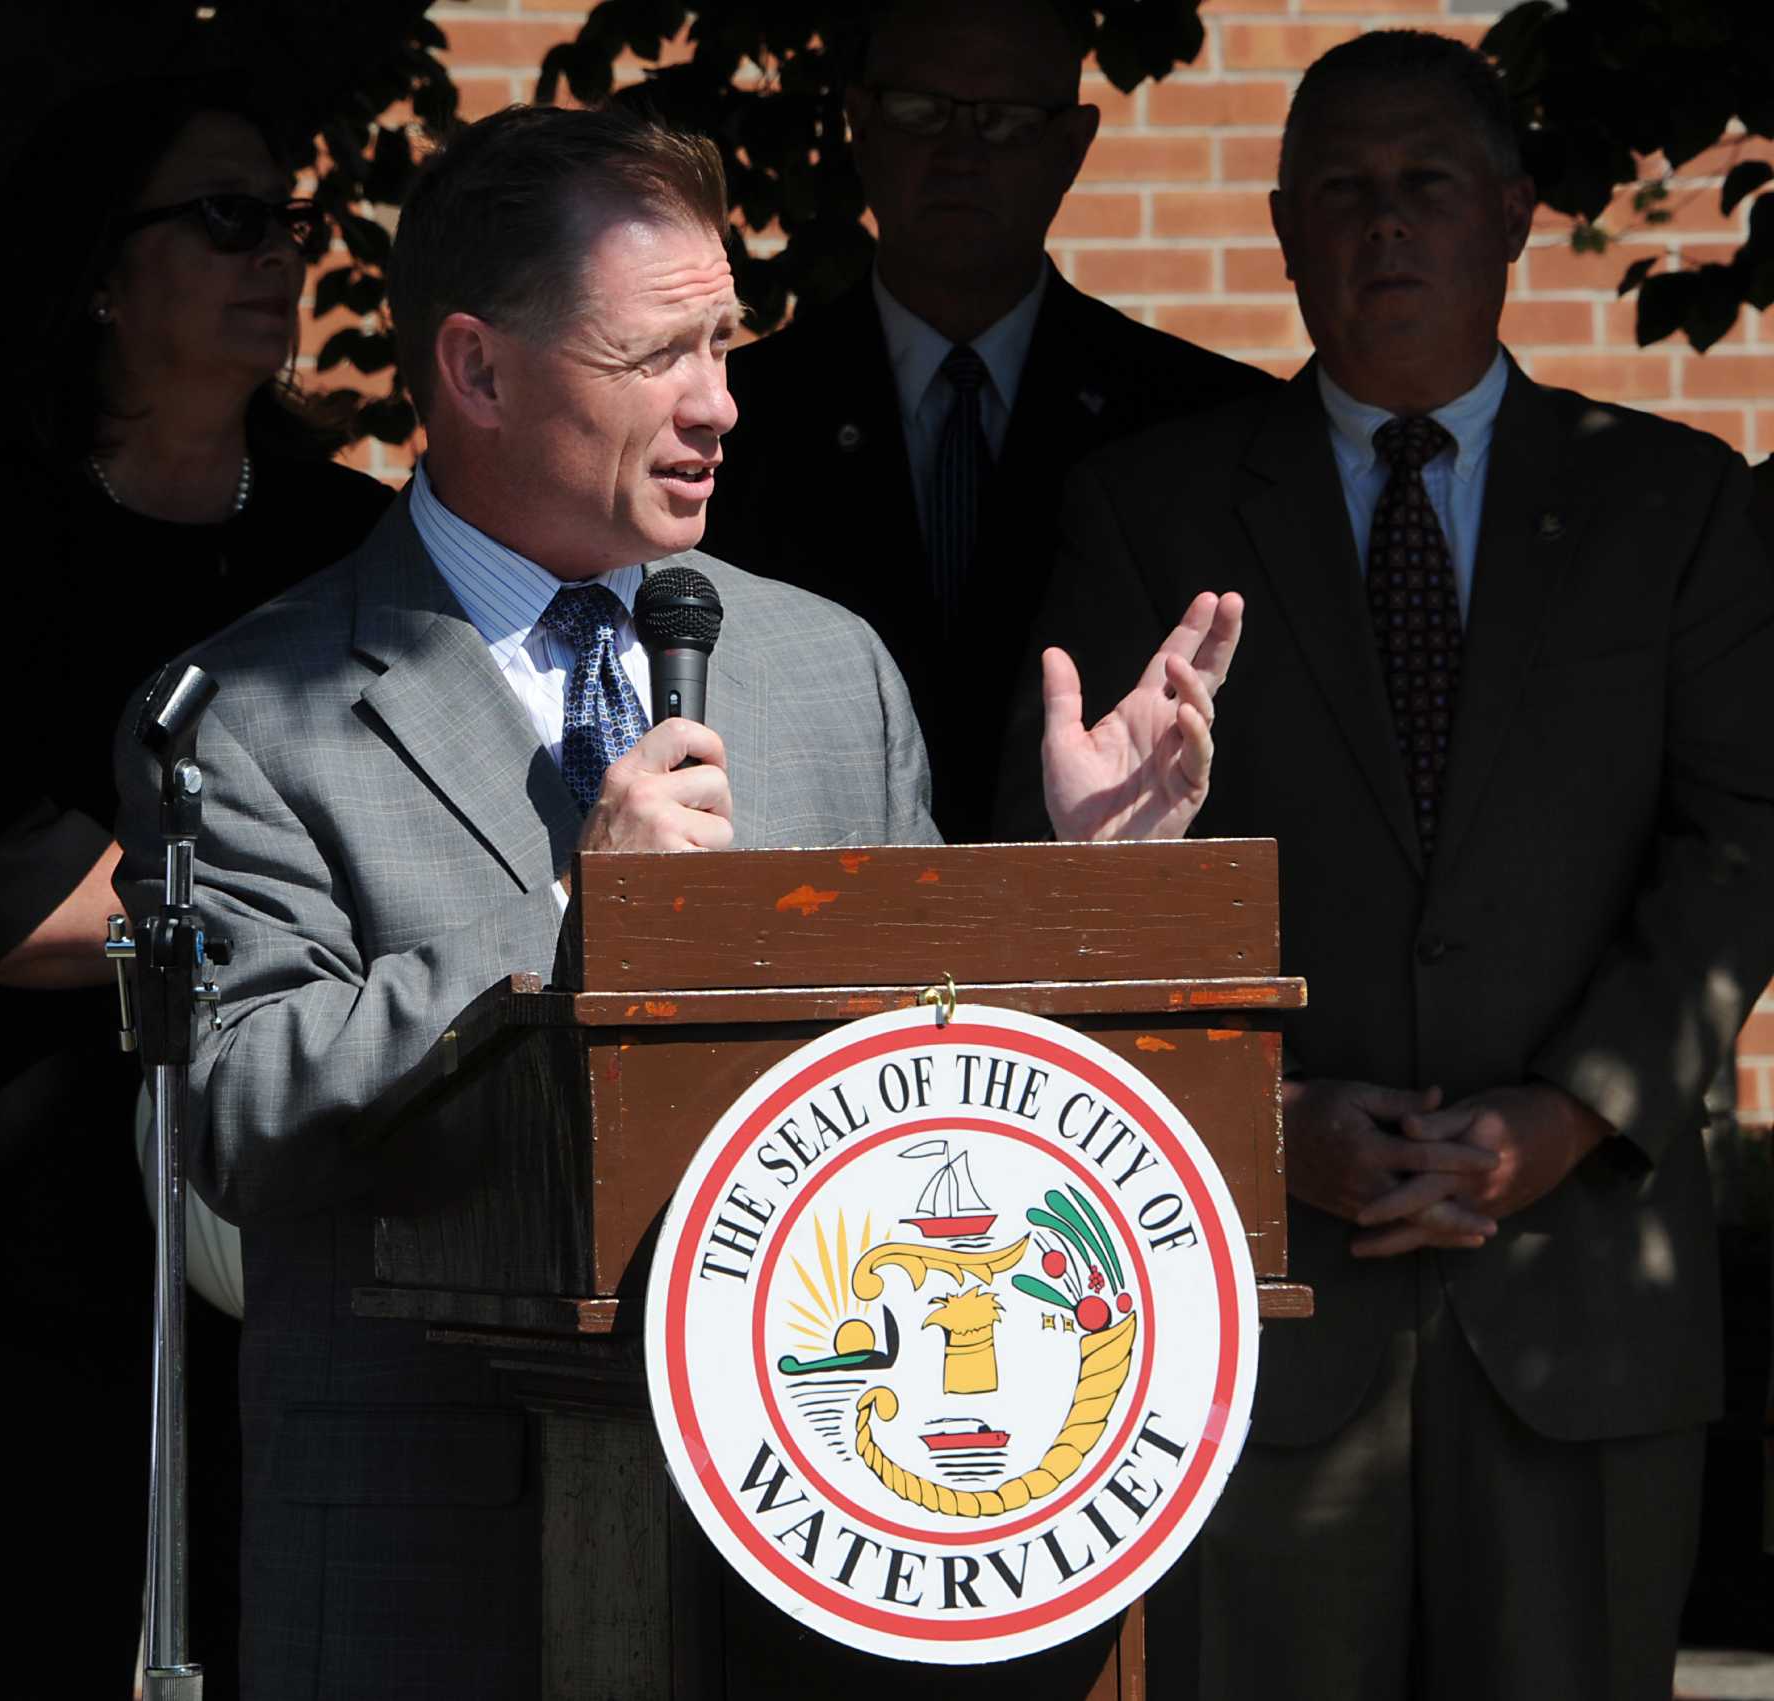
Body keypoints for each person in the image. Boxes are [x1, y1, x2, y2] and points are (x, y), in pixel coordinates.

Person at [112, 101, 1242, 1699]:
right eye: (661, 357)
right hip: (432, 1565)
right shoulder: (242, 708)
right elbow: (227, 1113)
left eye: (727, 344)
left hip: (809, 1558)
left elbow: (928, 1099)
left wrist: (1087, 902)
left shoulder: (822, 667)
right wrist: (580, 919)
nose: (722, 403)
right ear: (478, 370)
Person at [997, 30, 1774, 1701]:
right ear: (1279, 229)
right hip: (1258, 1303)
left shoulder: (1674, 505)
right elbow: (1063, 880)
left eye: (1424, 184)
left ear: (1508, 215)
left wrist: (1571, 1111)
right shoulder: (1148, 510)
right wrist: (1253, 1126)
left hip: (1577, 1307)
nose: (1383, 226)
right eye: (1339, 192)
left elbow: (1740, 843)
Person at [0, 76, 393, 1695]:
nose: (273, 252)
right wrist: (312, 907)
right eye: (222, 218)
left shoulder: (349, 547)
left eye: (285, 219)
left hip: (282, 1218)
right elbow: (19, 906)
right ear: (100, 272)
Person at [702, 0, 1273, 841]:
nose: (960, 153)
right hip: (810, 922)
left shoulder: (1201, 418)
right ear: (858, 122)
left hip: (1101, 926)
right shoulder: (728, 418)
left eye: (1004, 121)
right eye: (921, 111)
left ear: (1073, 146)